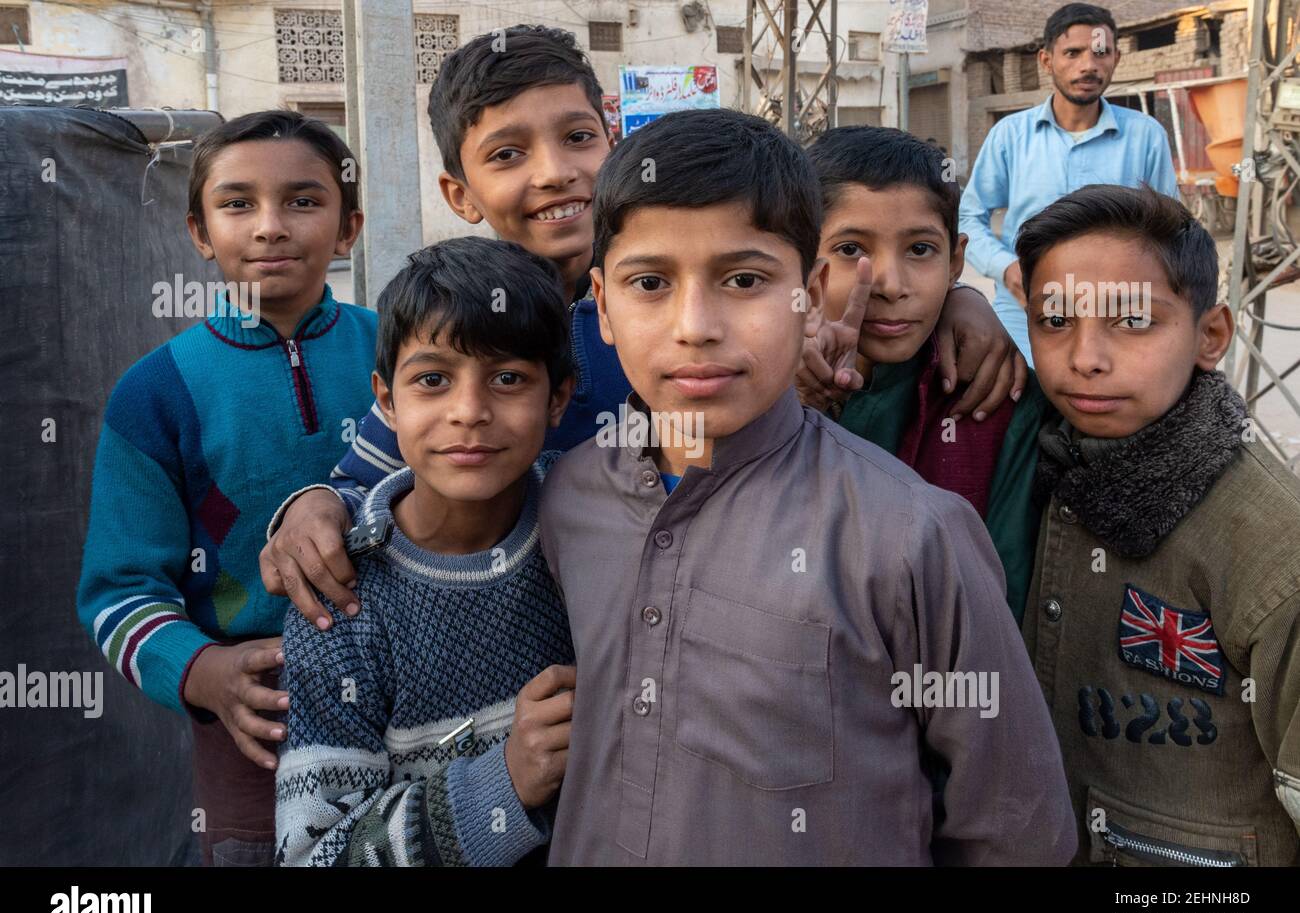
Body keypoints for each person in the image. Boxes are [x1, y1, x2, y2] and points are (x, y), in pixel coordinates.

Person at [260, 24, 1029, 636]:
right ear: (460, 194)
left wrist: (962, 300)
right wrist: (311, 507)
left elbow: (853, 311)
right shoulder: (453, 331)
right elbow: (372, 474)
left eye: (577, 138)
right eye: (508, 154)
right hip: (529, 651)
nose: (555, 171)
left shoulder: (698, 319)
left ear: (614, 136)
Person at [538, 107, 1076, 865]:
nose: (696, 325)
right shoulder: (569, 499)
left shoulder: (911, 536)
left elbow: (1015, 828)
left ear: (812, 288)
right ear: (602, 306)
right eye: (651, 282)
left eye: (745, 280)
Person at [76, 110, 375, 866]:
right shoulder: (154, 393)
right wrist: (203, 672)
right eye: (238, 204)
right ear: (200, 233)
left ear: (349, 228)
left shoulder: (403, 351)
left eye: (304, 201)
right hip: (259, 720)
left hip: (414, 686)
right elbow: (118, 591)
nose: (270, 226)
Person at [1017, 184, 1300, 865]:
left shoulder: (1272, 547)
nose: (1085, 357)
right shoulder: (1027, 461)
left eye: (1133, 322)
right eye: (1054, 321)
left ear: (1211, 335)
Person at [275, 238, 577, 866]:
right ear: (386, 400)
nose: (469, 412)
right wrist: (505, 784)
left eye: (508, 378)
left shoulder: (595, 532)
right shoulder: (340, 601)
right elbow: (310, 858)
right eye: (433, 379)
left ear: (558, 398)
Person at [802, 125, 1051, 621]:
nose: (891, 285)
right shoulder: (753, 388)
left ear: (956, 259)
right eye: (851, 249)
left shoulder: (995, 398)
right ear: (803, 258)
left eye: (920, 249)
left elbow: (1003, 593)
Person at [959, 3, 1179, 362]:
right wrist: (1006, 268)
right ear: (1046, 61)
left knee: (1103, 411)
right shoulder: (1010, 136)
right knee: (1020, 405)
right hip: (1024, 309)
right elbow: (969, 217)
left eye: (1100, 52)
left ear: (1116, 59)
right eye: (1073, 53)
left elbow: (1170, 226)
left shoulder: (1146, 136)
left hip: (1117, 308)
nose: (1088, 65)